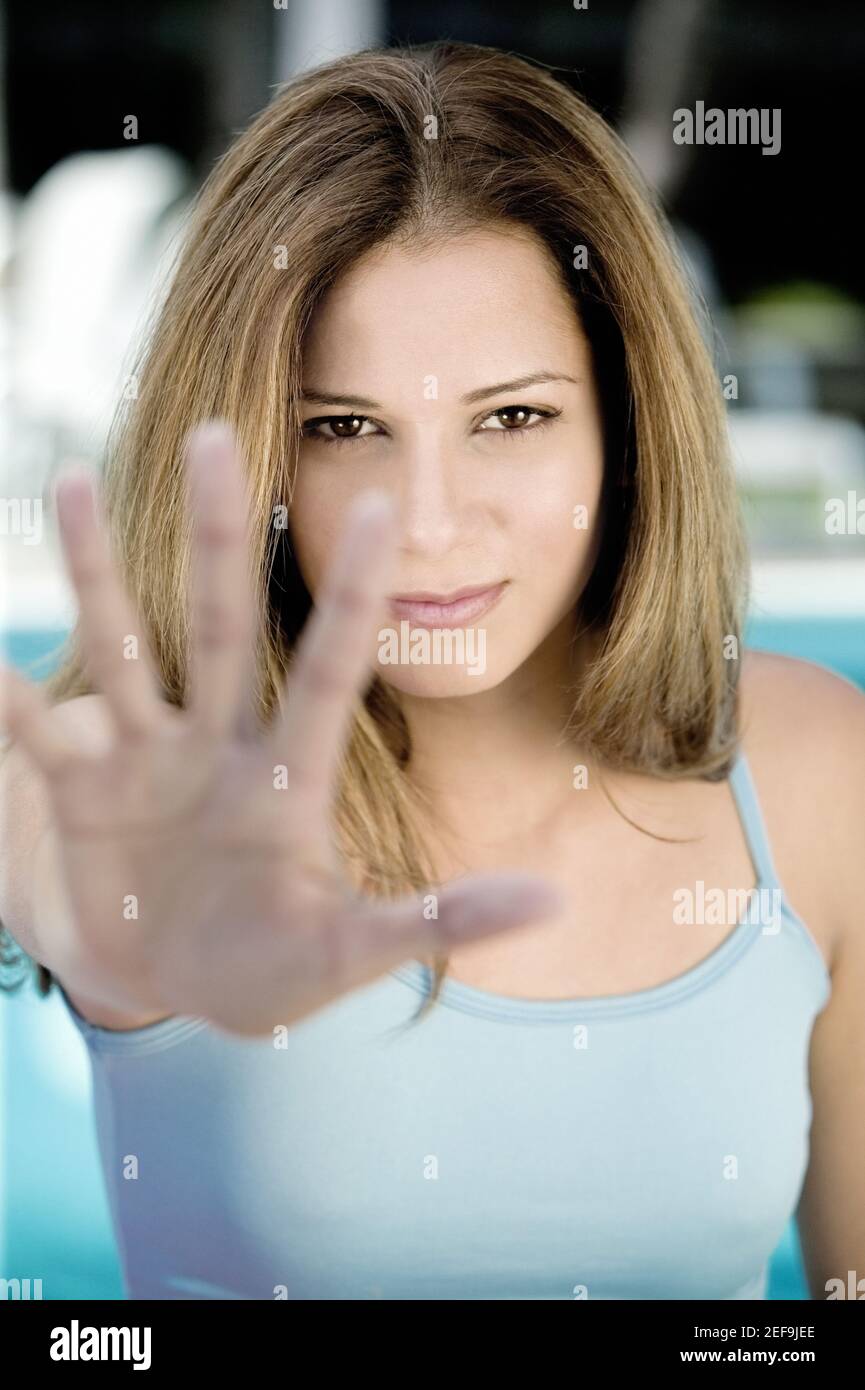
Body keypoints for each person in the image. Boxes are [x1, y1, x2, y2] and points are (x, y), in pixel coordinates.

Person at [1, 40, 863, 1301]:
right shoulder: (160, 779)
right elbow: (71, 879)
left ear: (626, 429)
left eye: (512, 417)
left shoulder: (818, 772)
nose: (429, 520)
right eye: (343, 428)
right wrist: (140, 929)